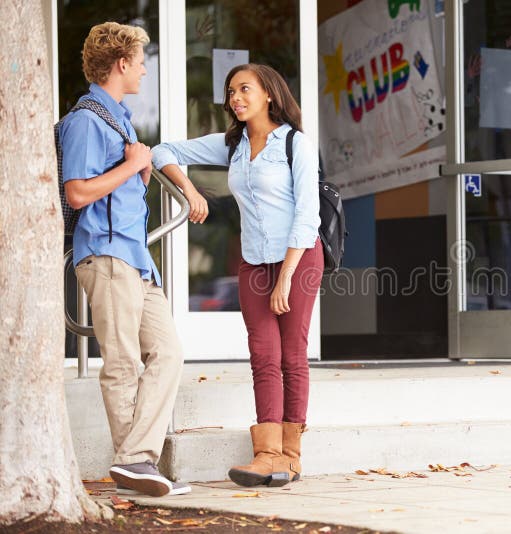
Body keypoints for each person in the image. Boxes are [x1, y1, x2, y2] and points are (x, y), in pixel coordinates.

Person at [152, 63, 322, 487]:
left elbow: (307, 215)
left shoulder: (294, 144)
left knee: (290, 354)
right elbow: (162, 152)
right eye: (230, 92)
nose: (236, 99)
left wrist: (285, 278)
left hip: (297, 260)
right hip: (252, 261)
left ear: (269, 93)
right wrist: (189, 191)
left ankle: (290, 457)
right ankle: (266, 455)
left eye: (244, 89)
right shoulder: (233, 145)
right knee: (263, 355)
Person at [61, 22, 207, 497]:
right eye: (141, 61)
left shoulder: (120, 119)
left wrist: (140, 173)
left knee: (168, 352)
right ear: (121, 64)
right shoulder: (86, 119)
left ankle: (133, 460)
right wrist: (132, 164)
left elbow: (122, 187)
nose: (145, 69)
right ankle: (138, 465)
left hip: (135, 256)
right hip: (105, 254)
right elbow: (78, 192)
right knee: (122, 363)